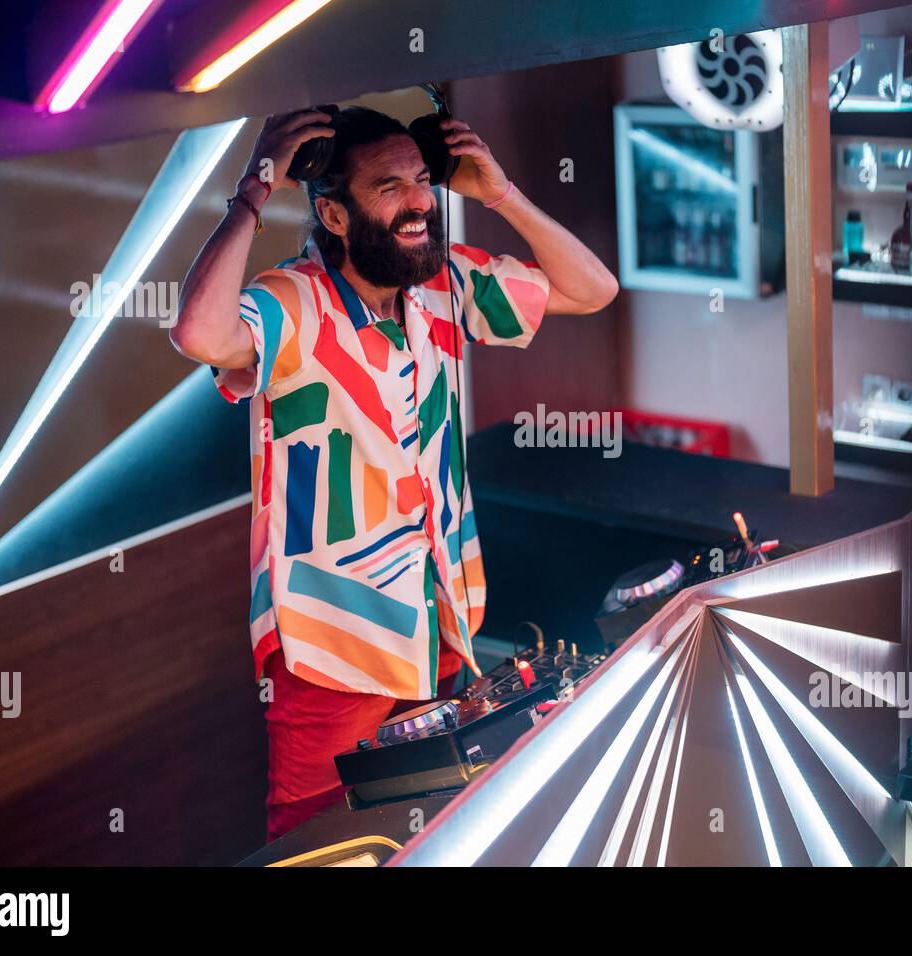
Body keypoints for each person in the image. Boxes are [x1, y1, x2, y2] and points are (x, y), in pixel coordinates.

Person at [169, 103, 617, 841]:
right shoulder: (294, 299)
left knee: (425, 829)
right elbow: (198, 333)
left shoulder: (442, 285)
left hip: (437, 623)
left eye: (421, 179)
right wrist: (253, 190)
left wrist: (500, 193)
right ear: (335, 216)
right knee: (321, 843)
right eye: (389, 186)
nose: (418, 201)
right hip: (331, 640)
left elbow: (591, 288)